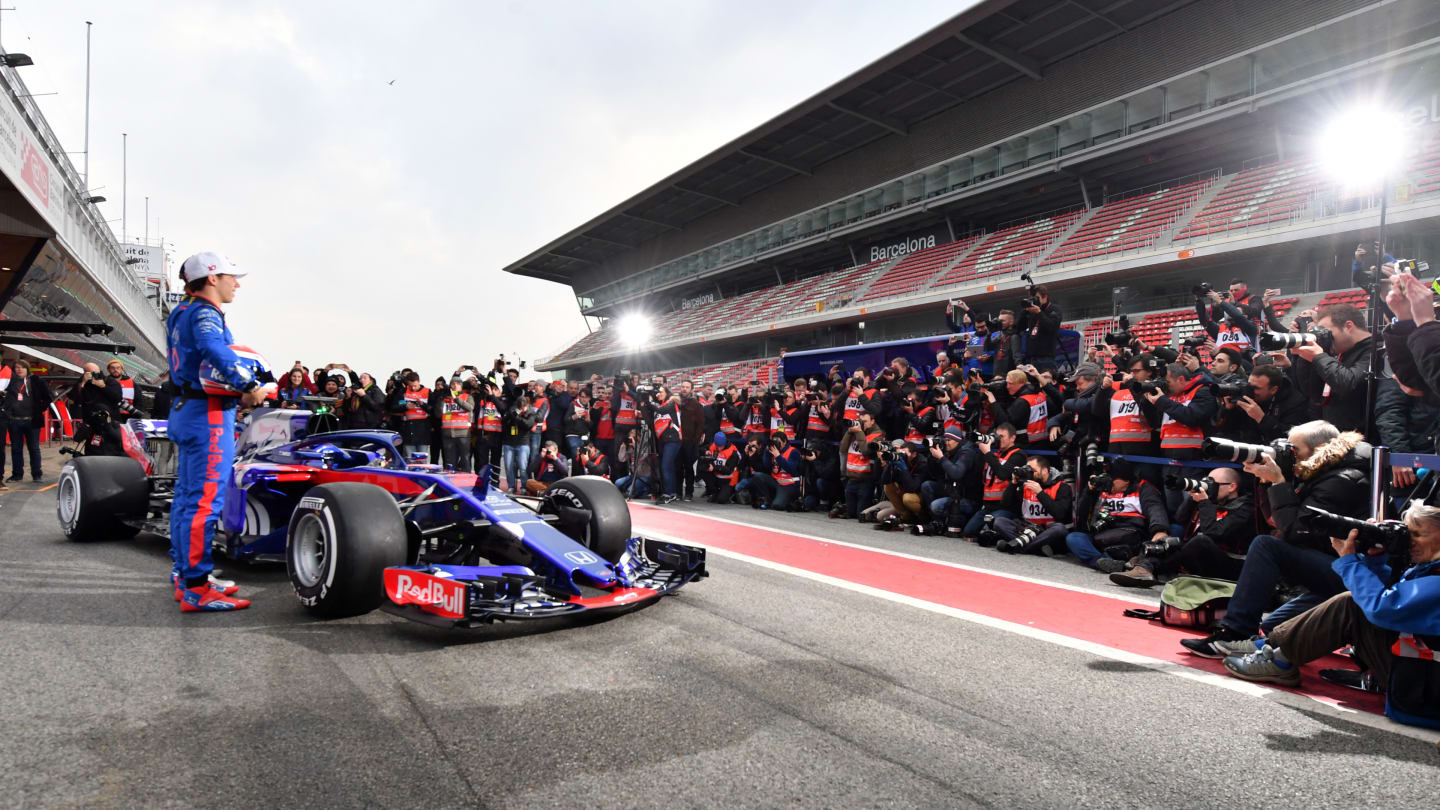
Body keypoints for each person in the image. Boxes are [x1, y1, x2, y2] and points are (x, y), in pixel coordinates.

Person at [1181, 420, 1372, 658]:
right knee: (1273, 629)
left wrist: (1279, 483)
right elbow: (1275, 522)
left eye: (1295, 450)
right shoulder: (1320, 470)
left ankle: (1235, 633)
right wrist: (1265, 482)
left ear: (1320, 448)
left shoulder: (1343, 478)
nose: (1289, 455)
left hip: (1353, 573)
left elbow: (1296, 531)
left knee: (1266, 546)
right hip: (1333, 568)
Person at [1221, 504, 1440, 703]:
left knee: (1350, 605)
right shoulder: (1425, 569)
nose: (1409, 541)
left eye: (1419, 534)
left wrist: (1349, 563)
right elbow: (1384, 596)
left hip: (1427, 690)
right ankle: (1271, 647)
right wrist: (1374, 560)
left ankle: (1277, 658)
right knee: (1354, 602)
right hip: (1421, 676)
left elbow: (1383, 608)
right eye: (1408, 533)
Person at [165, 252, 264, 612]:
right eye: (230, 276)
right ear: (211, 278)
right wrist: (248, 384)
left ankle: (186, 575)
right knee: (204, 503)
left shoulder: (181, 310)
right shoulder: (206, 313)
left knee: (186, 499)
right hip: (208, 415)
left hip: (185, 410)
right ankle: (197, 588)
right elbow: (213, 348)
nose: (236, 284)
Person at [1109, 467, 1254, 587]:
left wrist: (1204, 502)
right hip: (1199, 558)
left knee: (1200, 541)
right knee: (1165, 541)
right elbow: (1180, 519)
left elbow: (1214, 533)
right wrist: (1192, 499)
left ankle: (1142, 566)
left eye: (1213, 484)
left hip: (1229, 563)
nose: (1209, 487)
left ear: (1232, 487)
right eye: (1206, 482)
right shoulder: (1211, 502)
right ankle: (1143, 568)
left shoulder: (1244, 507)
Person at [1065, 458, 1169, 571]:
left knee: (1168, 536)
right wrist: (1089, 492)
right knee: (1074, 538)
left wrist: (1159, 529)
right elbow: (1081, 515)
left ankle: (1130, 562)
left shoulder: (1143, 488)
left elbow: (1154, 507)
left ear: (1126, 480)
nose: (1109, 481)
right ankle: (1106, 562)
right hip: (1103, 534)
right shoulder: (1102, 488)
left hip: (1133, 536)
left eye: (1113, 479)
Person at [1289, 303, 1376, 435]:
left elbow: (1349, 383)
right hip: (1338, 436)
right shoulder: (1341, 352)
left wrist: (1319, 357)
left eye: (1327, 333)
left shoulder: (1375, 349)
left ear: (1348, 326)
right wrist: (1303, 356)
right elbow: (1313, 392)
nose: (1325, 338)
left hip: (1363, 437)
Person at [993, 456, 1073, 555]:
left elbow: (1059, 514)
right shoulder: (1025, 484)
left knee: (1059, 529)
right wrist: (1013, 483)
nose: (1029, 473)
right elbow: (1005, 504)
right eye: (1028, 470)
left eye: (1033, 470)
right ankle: (1034, 548)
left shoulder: (1062, 487)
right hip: (1028, 528)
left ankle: (1019, 547)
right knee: (999, 521)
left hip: (1047, 531)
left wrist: (1040, 493)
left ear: (1045, 471)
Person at [2, 359, 52, 482]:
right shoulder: (10, 381)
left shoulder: (36, 380)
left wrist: (39, 409)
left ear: (27, 368)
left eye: (22, 367)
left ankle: (37, 474)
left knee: (34, 448)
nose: (19, 369)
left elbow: (48, 398)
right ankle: (17, 475)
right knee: (16, 449)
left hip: (31, 420)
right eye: (17, 367)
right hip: (14, 420)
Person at [387, 372, 432, 460]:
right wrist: (405, 407)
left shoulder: (427, 391)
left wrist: (423, 405)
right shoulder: (403, 392)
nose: (413, 388)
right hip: (408, 429)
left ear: (419, 381)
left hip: (423, 431)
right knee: (410, 459)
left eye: (415, 385)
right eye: (410, 386)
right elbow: (394, 407)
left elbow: (433, 409)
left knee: (422, 459)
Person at [1019, 285, 1062, 371]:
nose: (1034, 300)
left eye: (1036, 298)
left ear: (1045, 297)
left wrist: (1039, 312)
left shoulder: (1054, 309)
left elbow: (1051, 327)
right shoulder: (1031, 312)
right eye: (1032, 298)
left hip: (1046, 358)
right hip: (1030, 358)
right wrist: (1025, 311)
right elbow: (1019, 327)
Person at [437, 375, 474, 472]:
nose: (455, 385)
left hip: (463, 434)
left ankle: (466, 478)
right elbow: (438, 414)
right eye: (453, 384)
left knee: (465, 459)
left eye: (457, 384)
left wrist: (456, 399)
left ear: (461, 386)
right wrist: (441, 398)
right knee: (450, 461)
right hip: (448, 434)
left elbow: (470, 407)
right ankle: (450, 479)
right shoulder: (445, 399)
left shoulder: (467, 396)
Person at [500, 395, 536, 492]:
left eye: (523, 408)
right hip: (509, 442)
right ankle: (511, 486)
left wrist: (517, 417)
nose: (522, 410)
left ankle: (524, 487)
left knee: (523, 467)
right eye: (520, 408)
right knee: (509, 466)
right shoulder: (512, 410)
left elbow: (528, 425)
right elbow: (503, 422)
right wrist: (512, 415)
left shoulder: (531, 412)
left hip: (523, 443)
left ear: (527, 405)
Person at [704, 431, 741, 504]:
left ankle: (731, 493)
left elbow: (728, 470)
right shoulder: (713, 446)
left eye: (721, 446)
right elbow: (702, 448)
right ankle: (715, 491)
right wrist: (706, 451)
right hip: (717, 477)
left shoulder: (732, 452)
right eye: (717, 446)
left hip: (729, 480)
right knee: (703, 470)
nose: (719, 448)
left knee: (721, 500)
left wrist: (714, 468)